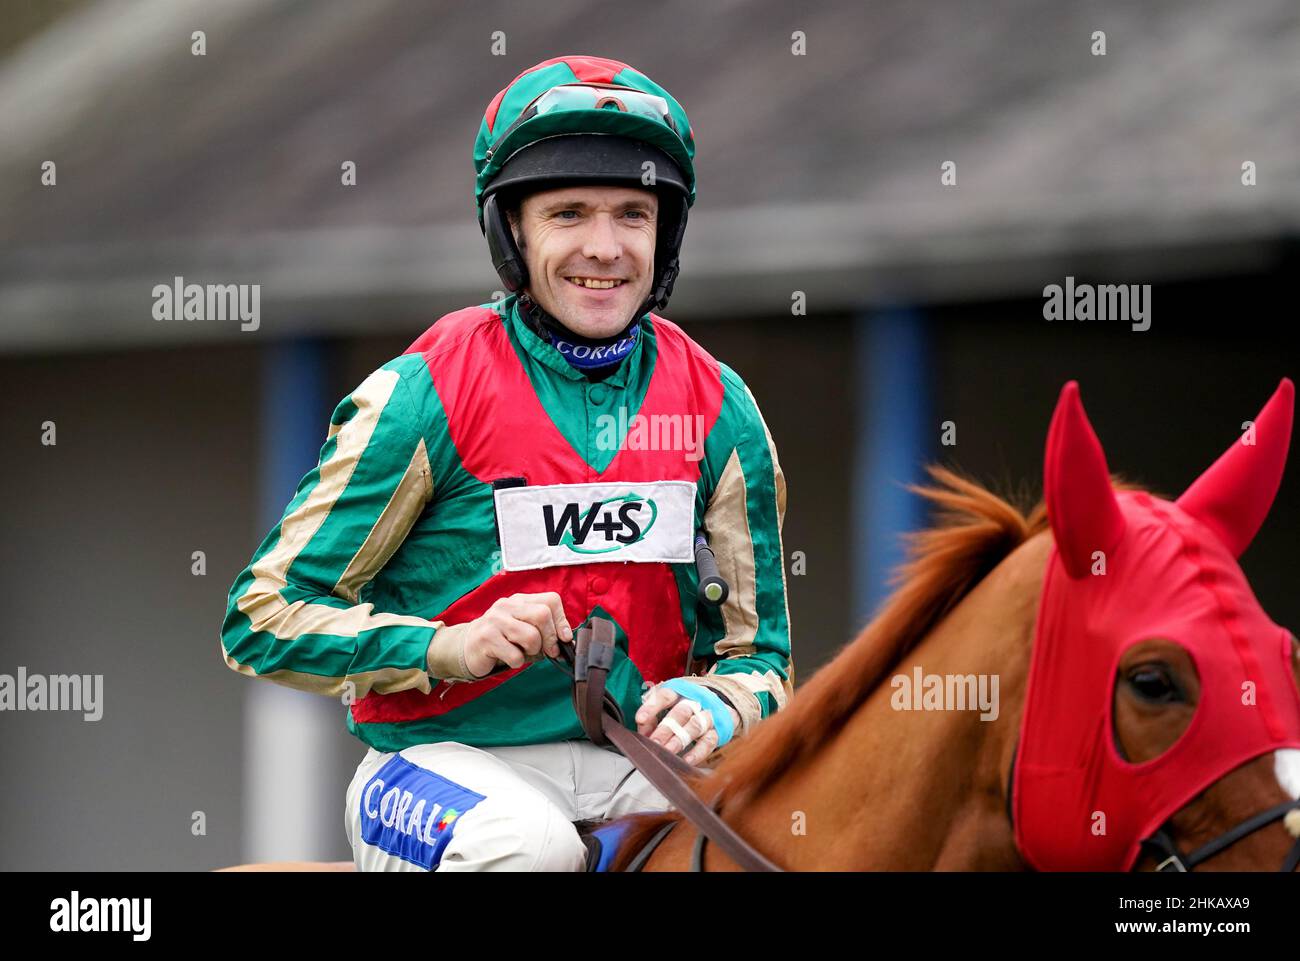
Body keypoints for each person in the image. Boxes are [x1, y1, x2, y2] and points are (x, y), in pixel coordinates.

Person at [220, 54, 792, 872]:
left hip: (640, 768)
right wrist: (447, 647)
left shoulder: (722, 408)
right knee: (526, 847)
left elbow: (761, 657)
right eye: (569, 213)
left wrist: (719, 701)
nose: (606, 248)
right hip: (441, 765)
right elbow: (260, 617)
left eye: (633, 214)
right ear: (512, 231)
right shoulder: (422, 394)